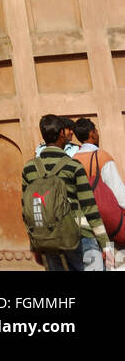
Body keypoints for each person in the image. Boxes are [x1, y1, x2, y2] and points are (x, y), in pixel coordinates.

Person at [22, 114, 110, 271]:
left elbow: (27, 209)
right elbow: (90, 208)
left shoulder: (29, 168)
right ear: (62, 134)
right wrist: (106, 245)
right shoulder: (73, 166)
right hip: (80, 237)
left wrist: (35, 244)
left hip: (48, 240)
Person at [71, 117, 125, 241]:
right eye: (96, 131)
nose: (98, 134)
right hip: (105, 223)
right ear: (92, 134)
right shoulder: (101, 156)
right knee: (114, 257)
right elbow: (118, 192)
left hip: (84, 224)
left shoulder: (73, 160)